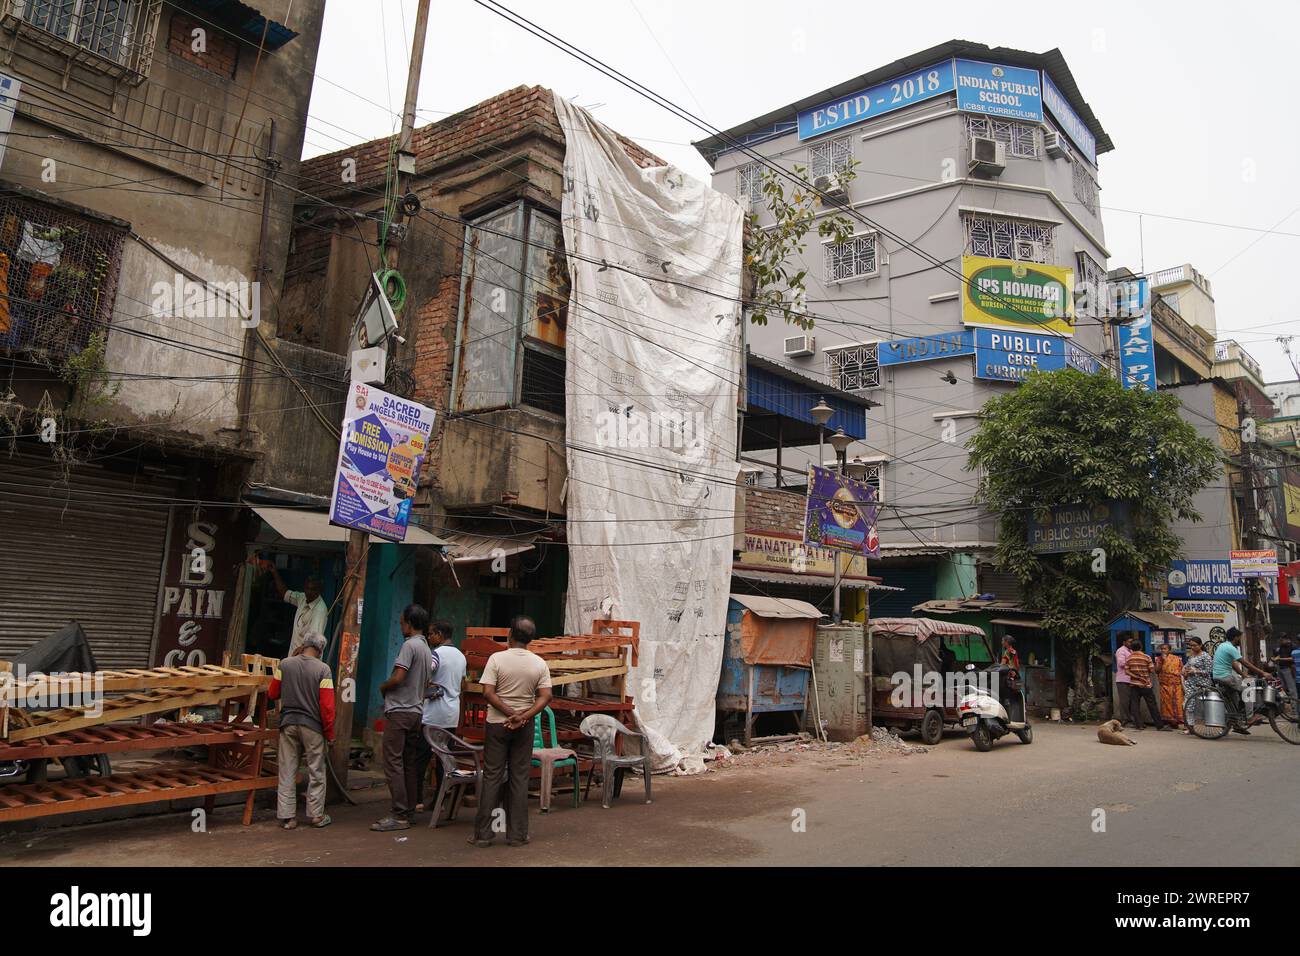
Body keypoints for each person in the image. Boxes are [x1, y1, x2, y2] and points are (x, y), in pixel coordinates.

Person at [470, 616, 552, 849]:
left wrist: (508, 713)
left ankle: (483, 835)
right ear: (531, 639)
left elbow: (487, 692)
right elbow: (546, 696)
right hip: (524, 727)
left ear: (510, 635)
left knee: (492, 776)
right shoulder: (539, 663)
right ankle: (517, 835)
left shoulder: (496, 658)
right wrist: (523, 716)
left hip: (497, 724)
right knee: (519, 777)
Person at [371, 604, 433, 832]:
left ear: (410, 623)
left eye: (402, 622)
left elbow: (398, 677)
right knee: (408, 762)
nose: (400, 626)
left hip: (400, 711)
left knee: (393, 762)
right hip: (416, 711)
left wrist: (383, 686)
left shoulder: (410, 646)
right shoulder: (427, 649)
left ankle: (399, 814)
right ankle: (407, 810)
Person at [268, 631, 335, 830]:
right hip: (313, 726)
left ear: (304, 644)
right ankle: (316, 815)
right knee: (316, 770)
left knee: (287, 770)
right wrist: (329, 733)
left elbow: (273, 692)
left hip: (288, 723)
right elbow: (327, 707)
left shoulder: (285, 664)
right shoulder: (324, 669)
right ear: (320, 650)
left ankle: (288, 817)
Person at [413, 620, 468, 813]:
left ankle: (417, 799)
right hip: (451, 714)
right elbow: (463, 685)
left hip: (433, 715)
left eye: (431, 634)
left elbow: (426, 672)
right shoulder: (461, 657)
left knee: (421, 757)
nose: (429, 637)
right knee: (444, 759)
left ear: (439, 634)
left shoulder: (435, 654)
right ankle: (440, 800)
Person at [1212, 626, 1271, 735]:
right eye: (1239, 637)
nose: (1240, 640)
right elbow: (1245, 663)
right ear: (1235, 638)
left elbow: (1233, 663)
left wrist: (1243, 674)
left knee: (1234, 697)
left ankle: (1236, 724)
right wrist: (1263, 673)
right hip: (1225, 677)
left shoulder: (1223, 645)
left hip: (1220, 676)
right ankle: (1249, 717)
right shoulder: (1230, 648)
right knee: (1249, 685)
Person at [265, 565, 328, 655]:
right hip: (294, 657)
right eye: (307, 588)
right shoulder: (302, 598)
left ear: (320, 590)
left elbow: (314, 642)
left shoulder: (319, 610)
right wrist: (274, 572)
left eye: (313, 589)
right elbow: (285, 593)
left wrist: (300, 650)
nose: (309, 592)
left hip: (305, 661)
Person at [1123, 639, 1168, 731]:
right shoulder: (1146, 657)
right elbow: (1152, 670)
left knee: (1134, 705)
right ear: (1141, 647)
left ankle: (1139, 725)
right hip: (1146, 684)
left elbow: (1127, 671)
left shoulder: (1129, 658)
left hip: (1134, 685)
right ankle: (1159, 725)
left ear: (1131, 648)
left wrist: (1136, 676)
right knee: (1152, 705)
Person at [1181, 637, 1213, 733]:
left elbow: (1209, 671)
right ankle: (1190, 726)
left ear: (1200, 645)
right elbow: (1187, 666)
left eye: (1195, 645)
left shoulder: (1206, 656)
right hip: (1190, 683)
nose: (1193, 647)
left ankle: (1209, 725)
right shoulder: (1192, 656)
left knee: (1202, 706)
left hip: (1202, 684)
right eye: (1191, 646)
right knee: (1188, 704)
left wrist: (1196, 671)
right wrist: (1185, 670)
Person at [1152, 643, 1184, 728]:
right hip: (1165, 684)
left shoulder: (1177, 659)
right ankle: (1170, 721)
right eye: (1161, 649)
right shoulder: (1159, 659)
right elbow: (1157, 671)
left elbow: (1181, 670)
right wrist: (1162, 661)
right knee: (1166, 703)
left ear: (1169, 650)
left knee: (1177, 702)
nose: (1163, 650)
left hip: (1176, 684)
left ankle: (1178, 721)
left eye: (1165, 649)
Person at [1114, 635, 1136, 728]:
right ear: (1124, 642)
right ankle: (1125, 720)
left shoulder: (1130, 651)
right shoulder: (1121, 651)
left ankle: (1130, 718)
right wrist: (1134, 662)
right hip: (1123, 679)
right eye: (1129, 642)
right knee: (1125, 701)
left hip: (1130, 679)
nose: (1131, 644)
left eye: (1132, 642)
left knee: (1131, 700)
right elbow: (1121, 663)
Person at [1270, 637, 1297, 701]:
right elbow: (1280, 655)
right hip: (1280, 668)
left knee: (1291, 688)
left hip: (1288, 668)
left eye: (1281, 640)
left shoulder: (1293, 646)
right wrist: (1275, 658)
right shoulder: (1282, 646)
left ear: (1286, 639)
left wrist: (1280, 659)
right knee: (1282, 687)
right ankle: (1286, 703)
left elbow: (1293, 658)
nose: (1280, 642)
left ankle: (1295, 706)